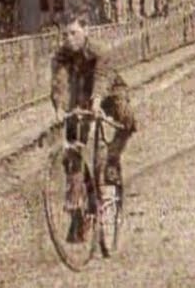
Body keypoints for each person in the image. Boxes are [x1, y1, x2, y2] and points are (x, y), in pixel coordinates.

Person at [49, 14, 136, 243]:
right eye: (65, 35)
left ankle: (113, 159)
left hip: (110, 93)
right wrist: (60, 108)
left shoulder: (100, 50)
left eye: (74, 33)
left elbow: (102, 77)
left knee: (126, 119)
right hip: (82, 98)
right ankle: (79, 214)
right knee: (72, 149)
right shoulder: (61, 56)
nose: (69, 39)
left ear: (86, 30)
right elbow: (60, 83)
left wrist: (97, 102)